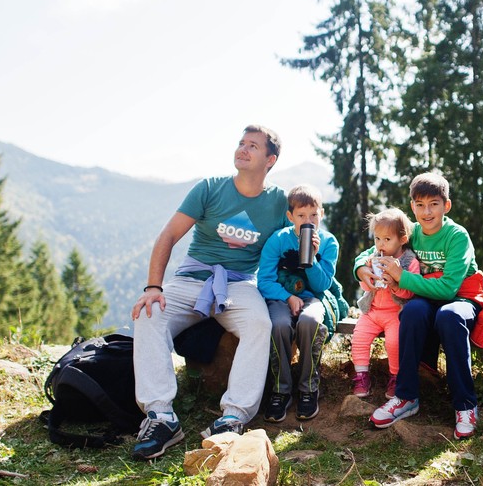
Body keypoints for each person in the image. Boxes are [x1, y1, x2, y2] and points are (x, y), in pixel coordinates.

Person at [129, 125, 287, 461]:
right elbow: (168, 235)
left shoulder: (278, 202)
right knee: (149, 314)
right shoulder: (210, 188)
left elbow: (297, 237)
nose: (243, 150)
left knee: (260, 324)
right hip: (192, 278)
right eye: (241, 143)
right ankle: (161, 417)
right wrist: (153, 288)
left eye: (253, 146)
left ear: (270, 160)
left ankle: (233, 417)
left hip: (240, 283)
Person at [367, 172, 483, 440]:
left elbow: (448, 288)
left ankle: (465, 405)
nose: (427, 211)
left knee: (449, 316)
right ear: (412, 207)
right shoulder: (410, 231)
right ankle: (406, 396)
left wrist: (403, 277)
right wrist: (358, 269)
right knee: (411, 311)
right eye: (420, 205)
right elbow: (376, 248)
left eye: (434, 203)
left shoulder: (457, 236)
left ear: (446, 205)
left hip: (461, 300)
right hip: (425, 300)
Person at [257, 184, 342, 422]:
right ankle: (280, 389)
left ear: (321, 214)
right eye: (301, 215)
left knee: (310, 321)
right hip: (280, 297)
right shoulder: (278, 240)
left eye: (314, 215)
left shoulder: (328, 242)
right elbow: (264, 280)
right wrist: (288, 297)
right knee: (279, 325)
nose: (309, 220)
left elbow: (323, 285)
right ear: (290, 217)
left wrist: (313, 259)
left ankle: (308, 387)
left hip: (313, 297)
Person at [349, 207, 421, 399]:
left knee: (394, 342)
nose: (380, 244)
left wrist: (396, 284)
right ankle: (361, 375)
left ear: (402, 239)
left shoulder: (409, 261)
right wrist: (368, 277)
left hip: (395, 313)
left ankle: (396, 377)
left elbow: (410, 292)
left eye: (387, 239)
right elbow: (365, 288)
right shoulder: (372, 256)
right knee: (359, 338)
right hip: (372, 312)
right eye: (377, 238)